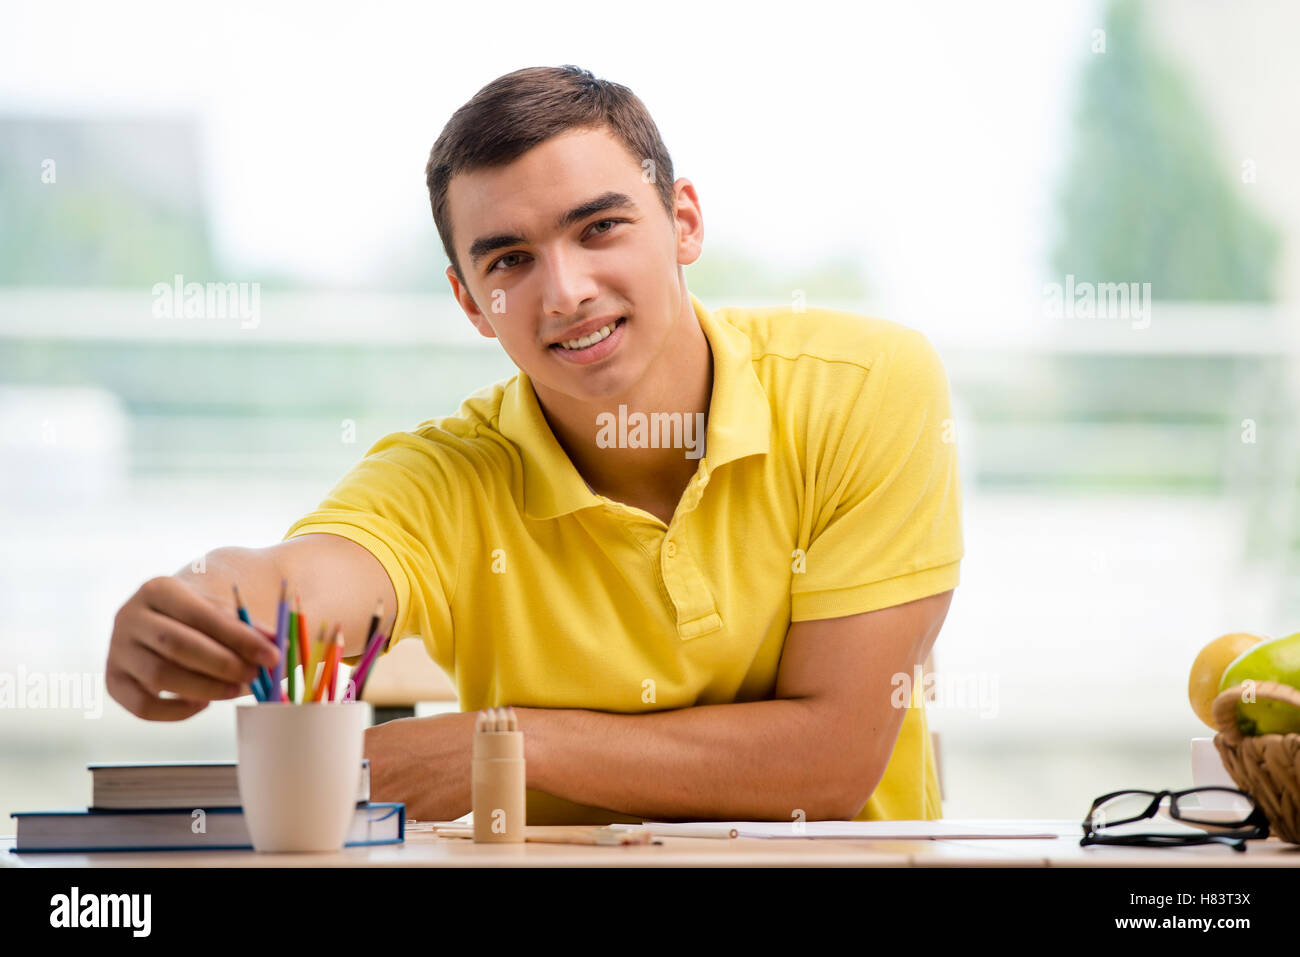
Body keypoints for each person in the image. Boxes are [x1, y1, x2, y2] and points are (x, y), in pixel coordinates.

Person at [107, 64, 963, 825]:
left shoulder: (865, 385)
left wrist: (498, 748)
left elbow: (829, 759)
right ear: (472, 302)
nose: (566, 293)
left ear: (684, 222)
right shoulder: (449, 474)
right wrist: (207, 602)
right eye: (510, 260)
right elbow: (308, 579)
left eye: (599, 228)